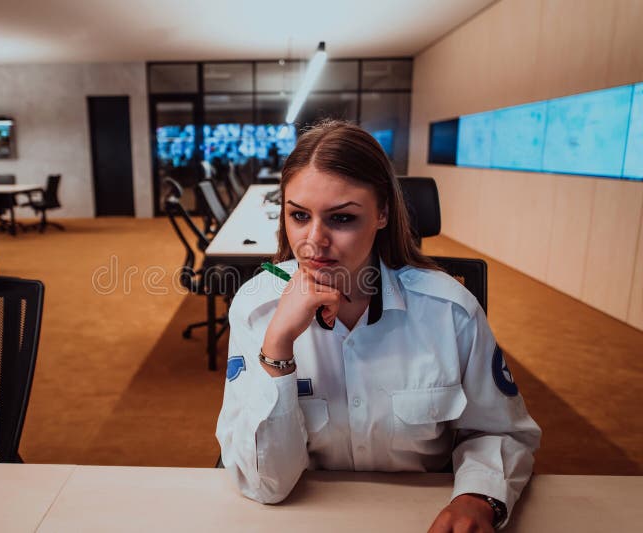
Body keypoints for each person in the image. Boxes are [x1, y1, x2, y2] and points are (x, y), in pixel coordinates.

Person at [215, 120, 541, 531]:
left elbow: (501, 431)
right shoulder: (256, 307)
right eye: (299, 215)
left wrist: (479, 495)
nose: (314, 241)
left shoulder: (449, 311)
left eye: (342, 219)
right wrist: (278, 345)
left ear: (383, 212)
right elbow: (267, 485)